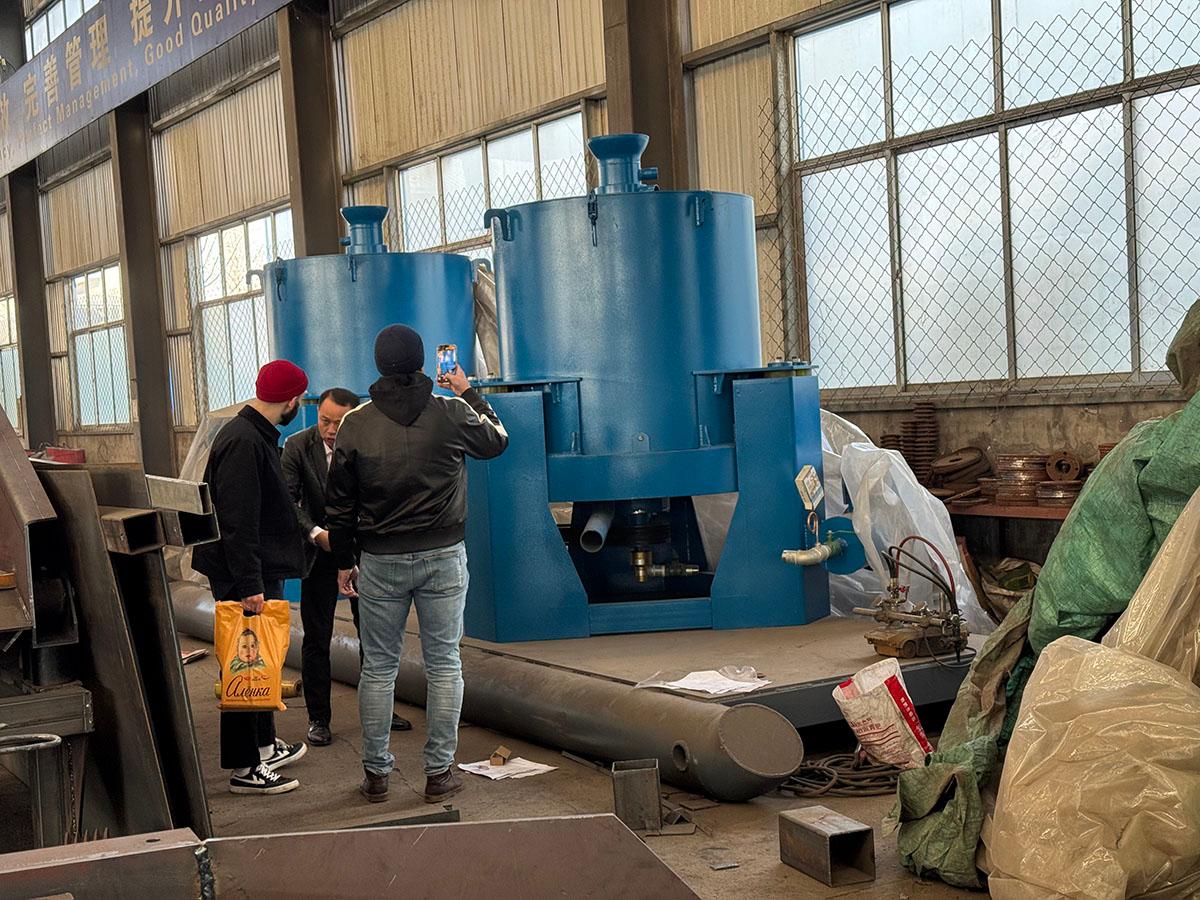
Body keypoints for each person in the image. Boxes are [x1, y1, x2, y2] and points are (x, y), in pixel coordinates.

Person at [325, 324, 508, 804]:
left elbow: (339, 503)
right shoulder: (450, 411)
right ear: (424, 361)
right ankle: (438, 774)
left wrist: (344, 561)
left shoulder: (355, 423)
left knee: (378, 669)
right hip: (443, 556)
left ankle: (376, 775)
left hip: (379, 560)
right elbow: (497, 441)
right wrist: (468, 391)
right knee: (444, 665)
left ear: (378, 364)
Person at [192, 359, 311, 796]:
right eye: (301, 399)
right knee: (245, 665)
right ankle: (245, 767)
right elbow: (238, 522)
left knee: (263, 661)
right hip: (243, 574)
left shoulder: (255, 434)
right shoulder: (243, 442)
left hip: (255, 569)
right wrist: (250, 585)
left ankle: (263, 745)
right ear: (291, 400)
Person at [281, 387, 412, 746]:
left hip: (364, 552)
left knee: (374, 635)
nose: (330, 429)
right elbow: (288, 500)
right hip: (319, 552)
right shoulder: (297, 446)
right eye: (324, 420)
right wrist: (316, 533)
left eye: (338, 423)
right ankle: (318, 718)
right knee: (317, 636)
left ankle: (382, 710)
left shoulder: (370, 442)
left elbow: (385, 496)